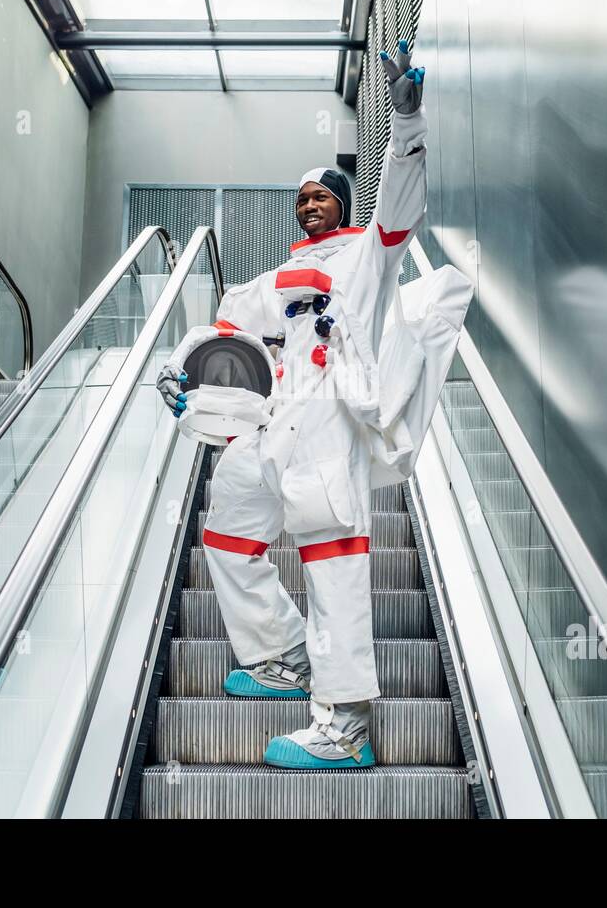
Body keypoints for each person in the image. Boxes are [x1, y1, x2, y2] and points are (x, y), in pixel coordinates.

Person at [155, 40, 429, 769]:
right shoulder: (272, 276)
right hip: (269, 421)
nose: (310, 204)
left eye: (323, 195)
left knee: (331, 555)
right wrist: (179, 376)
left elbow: (400, 206)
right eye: (302, 197)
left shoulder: (366, 256)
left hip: (330, 417)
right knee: (227, 533)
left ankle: (344, 723)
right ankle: (282, 653)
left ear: (342, 204)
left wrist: (406, 127)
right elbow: (219, 338)